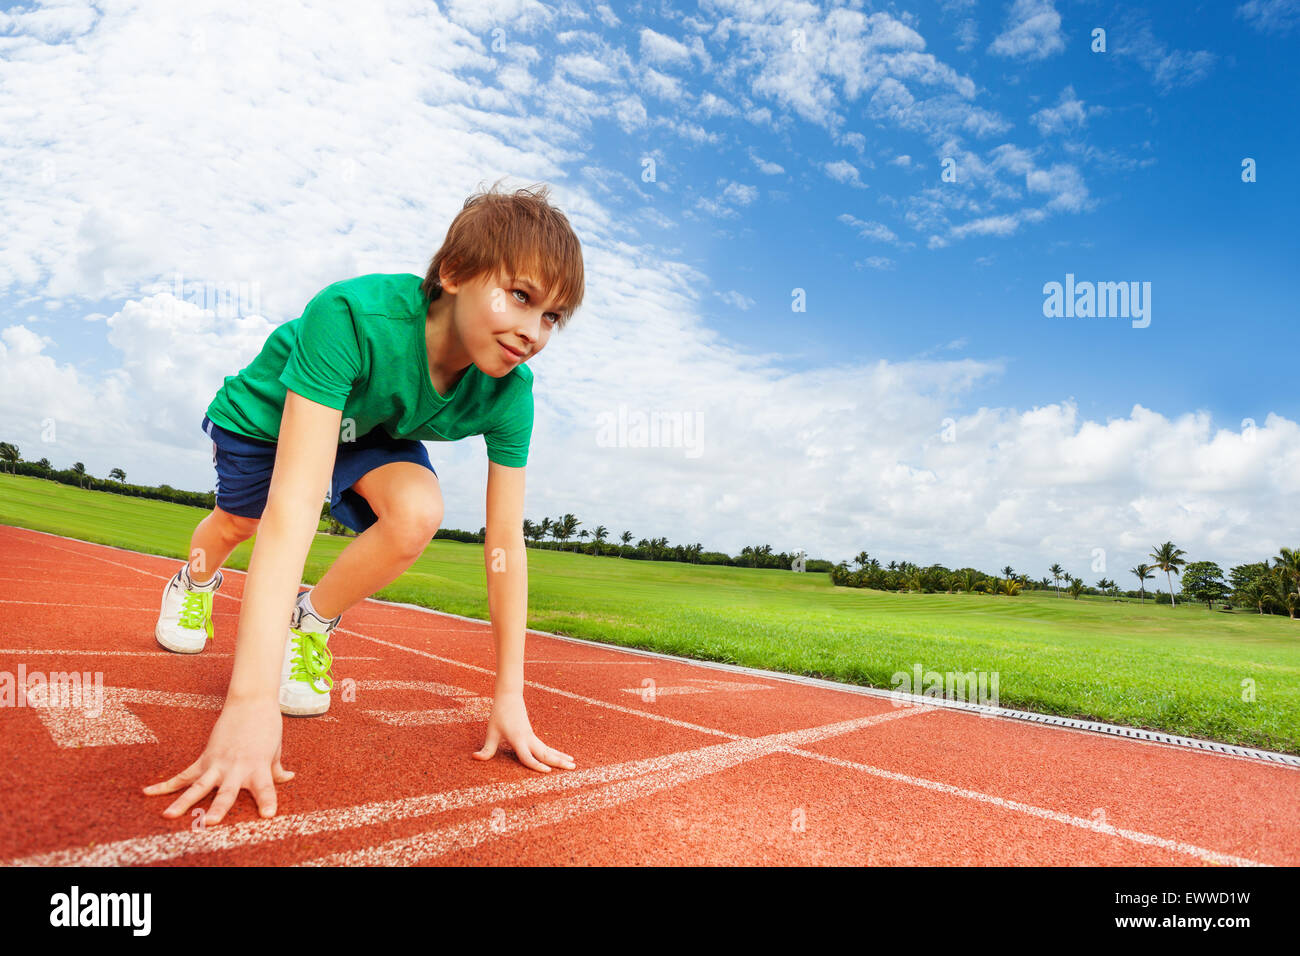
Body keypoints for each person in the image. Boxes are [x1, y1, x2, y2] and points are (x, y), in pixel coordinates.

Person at [144, 179, 583, 825]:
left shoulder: (511, 394)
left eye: (551, 316)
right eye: (520, 296)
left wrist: (510, 692)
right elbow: (296, 506)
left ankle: (310, 622)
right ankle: (195, 577)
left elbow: (504, 544)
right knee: (245, 518)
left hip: (367, 429)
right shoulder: (349, 314)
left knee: (417, 512)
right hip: (267, 417)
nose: (532, 331)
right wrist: (250, 702)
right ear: (456, 272)